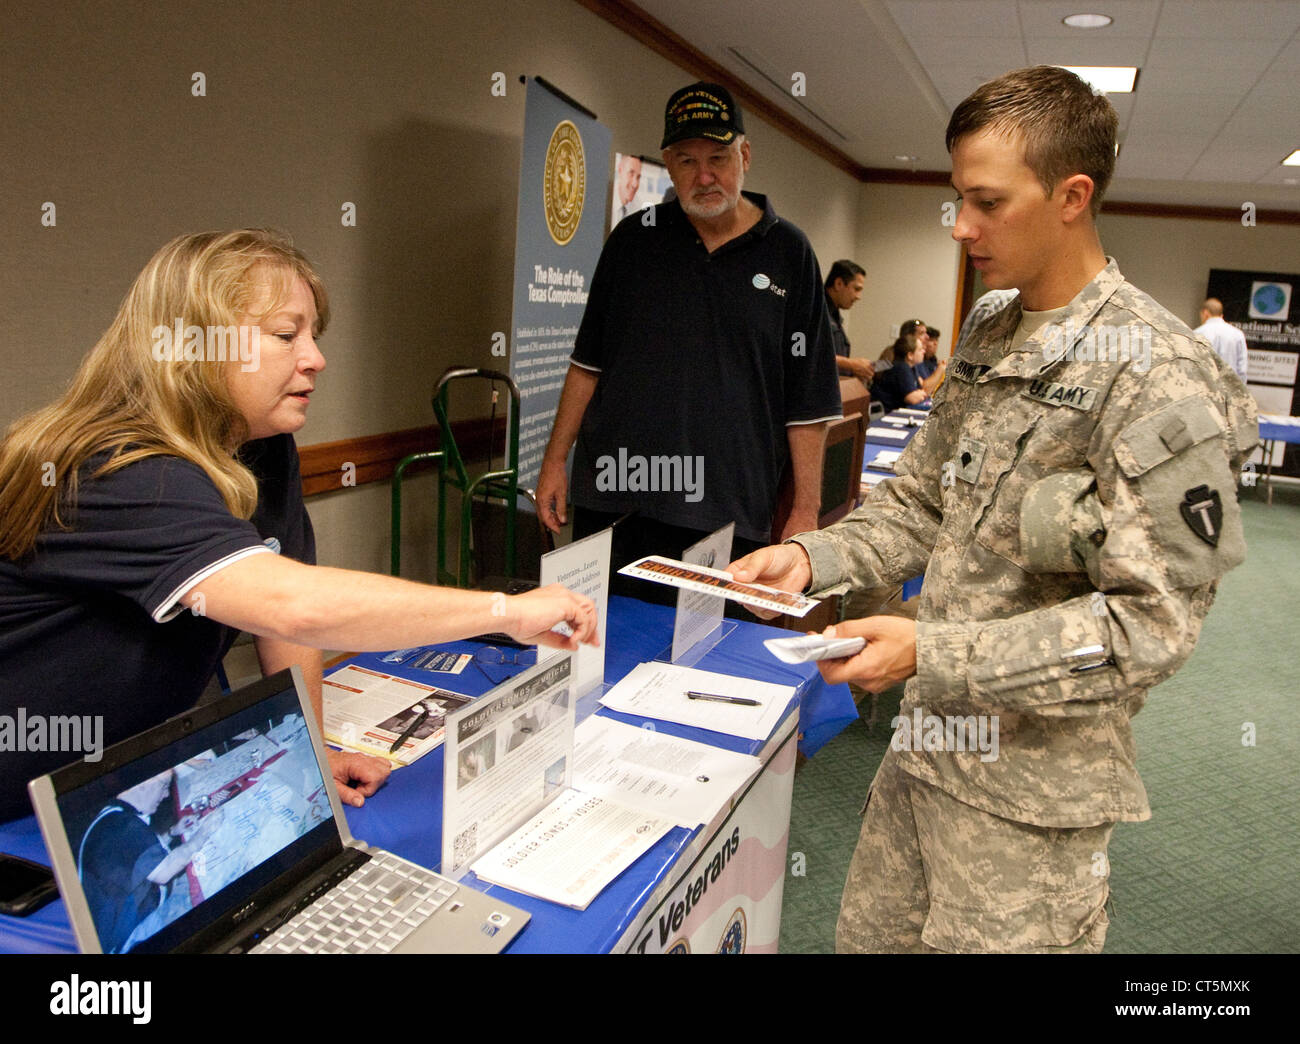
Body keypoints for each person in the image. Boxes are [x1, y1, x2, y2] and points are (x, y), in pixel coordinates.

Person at [730, 65, 1257, 953]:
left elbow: (1148, 628)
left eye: (986, 201)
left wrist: (933, 648)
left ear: (1071, 195)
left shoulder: (1159, 370)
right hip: (927, 747)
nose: (962, 226)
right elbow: (923, 504)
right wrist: (816, 558)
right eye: (956, 199)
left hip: (1032, 805)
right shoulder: (988, 331)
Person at [0, 229, 599, 823]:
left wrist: (306, 749)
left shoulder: (261, 442)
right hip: (24, 801)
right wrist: (507, 612)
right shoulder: (123, 467)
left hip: (122, 776)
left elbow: (284, 617)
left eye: (312, 335)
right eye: (286, 335)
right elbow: (295, 606)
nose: (315, 357)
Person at [536, 82, 841, 596]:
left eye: (718, 158)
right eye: (686, 160)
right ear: (668, 164)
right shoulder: (633, 242)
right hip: (620, 494)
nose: (704, 176)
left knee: (712, 664)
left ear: (745, 155)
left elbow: (807, 400)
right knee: (602, 647)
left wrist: (805, 511)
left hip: (731, 506)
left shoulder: (789, 252)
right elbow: (588, 362)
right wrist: (553, 462)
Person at [824, 260, 875, 384]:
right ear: (839, 284)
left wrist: (854, 370)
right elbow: (801, 353)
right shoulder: (812, 309)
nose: (858, 296)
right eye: (856, 289)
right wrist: (850, 364)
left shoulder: (834, 316)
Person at [870, 321, 928, 412]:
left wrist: (921, 392)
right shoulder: (899, 365)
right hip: (886, 412)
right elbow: (913, 398)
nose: (926, 337)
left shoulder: (911, 366)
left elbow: (921, 388)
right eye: (921, 333)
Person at [1194, 297, 1249, 382]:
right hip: (1230, 387)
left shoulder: (1198, 333)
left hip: (1205, 386)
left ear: (1205, 313)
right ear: (1221, 316)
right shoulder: (1238, 334)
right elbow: (1242, 369)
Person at [915, 324, 946, 395]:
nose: (935, 343)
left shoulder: (933, 360)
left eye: (936, 340)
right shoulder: (917, 360)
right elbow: (925, 390)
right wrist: (941, 368)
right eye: (931, 340)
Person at [612, 154, 643, 224]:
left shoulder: (639, 209)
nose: (635, 184)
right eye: (631, 174)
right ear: (620, 171)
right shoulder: (606, 200)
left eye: (638, 177)